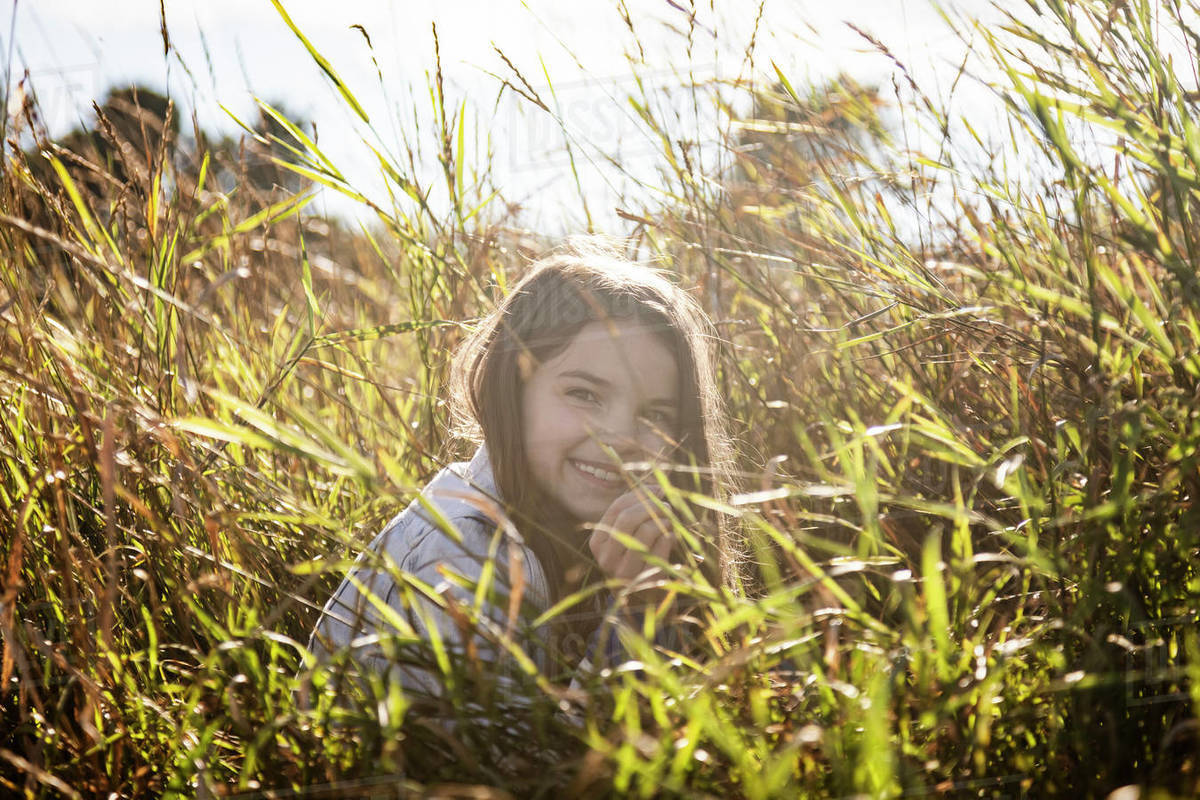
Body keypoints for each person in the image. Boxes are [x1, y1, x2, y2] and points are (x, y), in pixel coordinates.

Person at [307, 237, 740, 699]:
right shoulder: (462, 557)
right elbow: (525, 767)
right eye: (584, 394)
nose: (620, 439)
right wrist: (633, 620)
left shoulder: (604, 533)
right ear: (513, 385)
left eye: (655, 415)